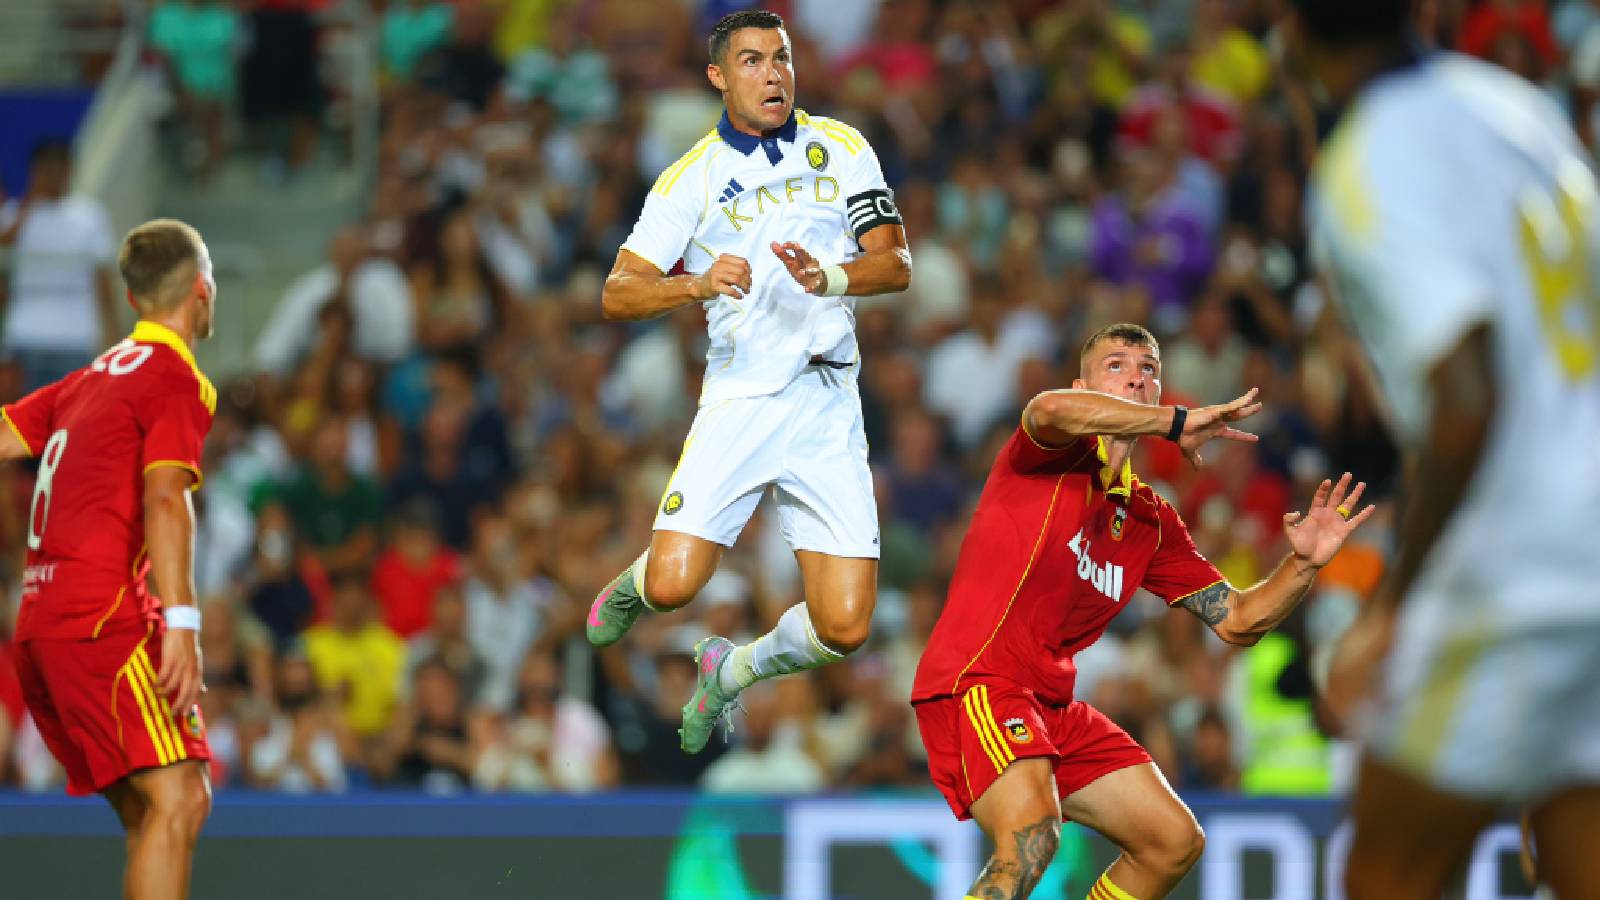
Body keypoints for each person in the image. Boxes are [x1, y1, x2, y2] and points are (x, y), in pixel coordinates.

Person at [1290, 2, 1600, 897]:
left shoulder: (1370, 158)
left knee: (1391, 874)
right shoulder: (1516, 109)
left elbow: (1465, 405)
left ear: (1294, 37)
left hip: (1526, 561)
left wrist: (1394, 609)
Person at [911, 323, 1374, 900]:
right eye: (1117, 364)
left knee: (1171, 840)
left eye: (1149, 368)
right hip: (979, 680)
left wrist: (1302, 564)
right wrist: (1177, 423)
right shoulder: (1051, 453)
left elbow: (1236, 619)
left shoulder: (1150, 520)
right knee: (1031, 833)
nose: (1136, 375)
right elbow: (1048, 407)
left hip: (1053, 706)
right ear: (1084, 385)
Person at [585, 9, 912, 754]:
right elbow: (617, 291)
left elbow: (894, 263)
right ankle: (638, 584)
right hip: (741, 400)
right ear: (718, 76)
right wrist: (696, 284)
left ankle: (729, 672)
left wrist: (828, 276)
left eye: (783, 58)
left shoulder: (842, 147)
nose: (774, 74)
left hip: (828, 402)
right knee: (674, 588)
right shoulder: (691, 177)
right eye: (754, 61)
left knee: (847, 627)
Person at [4, 219, 218, 900]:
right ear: (203, 292)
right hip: (101, 622)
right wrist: (182, 621)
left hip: (39, 624)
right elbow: (165, 497)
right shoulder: (173, 375)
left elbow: (5, 437)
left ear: (130, 300)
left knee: (149, 808)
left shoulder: (87, 380)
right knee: (180, 796)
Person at [0, 140, 119, 390]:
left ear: (69, 170)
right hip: (25, 334)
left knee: (71, 420)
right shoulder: (13, 214)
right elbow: (5, 245)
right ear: (34, 172)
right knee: (21, 420)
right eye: (46, 170)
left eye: (58, 169)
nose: (53, 176)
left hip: (75, 335)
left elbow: (103, 280)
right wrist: (30, 201)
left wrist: (112, 334)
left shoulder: (90, 216)